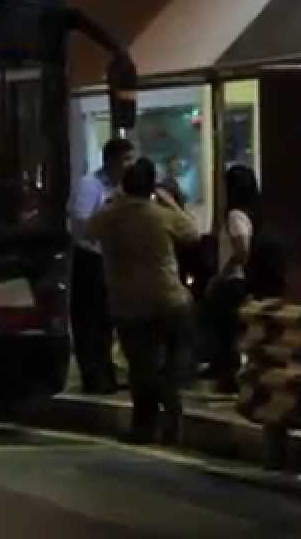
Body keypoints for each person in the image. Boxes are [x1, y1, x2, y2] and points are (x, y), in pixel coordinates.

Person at [86, 157, 200, 444]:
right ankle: (170, 398)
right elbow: (192, 233)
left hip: (126, 302)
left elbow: (86, 232)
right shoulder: (159, 215)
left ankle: (144, 426)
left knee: (140, 366)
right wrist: (170, 202)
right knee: (174, 353)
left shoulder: (109, 215)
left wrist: (114, 201)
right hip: (167, 298)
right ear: (152, 186)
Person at [69, 137, 135, 394]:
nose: (129, 165)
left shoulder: (124, 189)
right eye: (125, 159)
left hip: (112, 259)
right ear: (111, 161)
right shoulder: (90, 185)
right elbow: (82, 225)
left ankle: (107, 371)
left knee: (108, 321)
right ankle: (93, 375)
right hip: (91, 259)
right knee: (90, 321)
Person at [203, 164, 262, 394]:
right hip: (238, 280)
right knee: (230, 332)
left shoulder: (235, 215)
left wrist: (221, 275)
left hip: (232, 281)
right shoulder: (250, 213)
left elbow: (241, 250)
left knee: (227, 332)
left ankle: (229, 378)